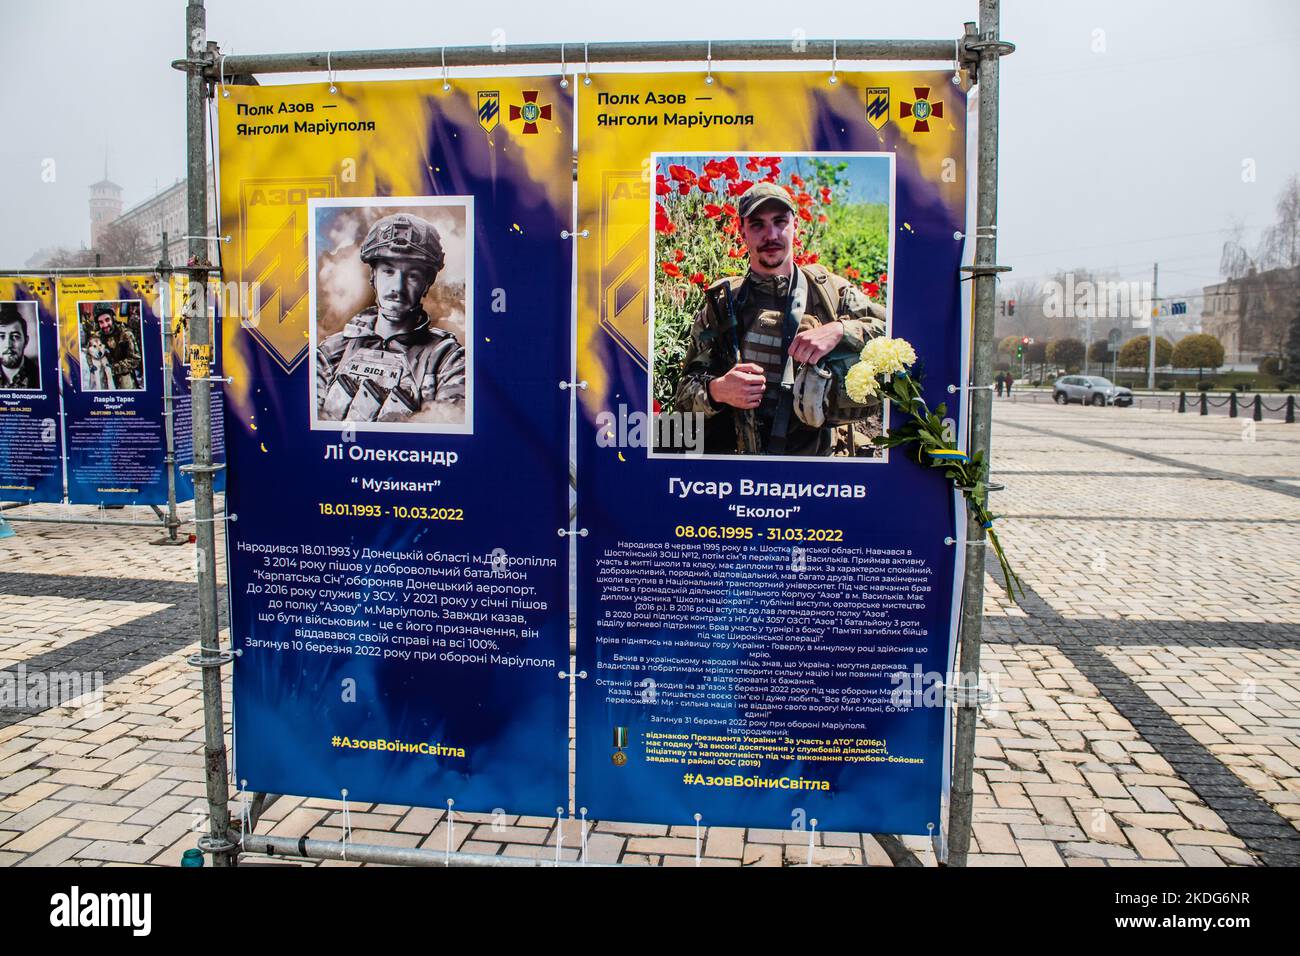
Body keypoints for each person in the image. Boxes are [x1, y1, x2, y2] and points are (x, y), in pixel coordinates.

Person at [673, 181, 885, 456]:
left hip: (815, 472)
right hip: (738, 470)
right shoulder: (724, 305)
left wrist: (840, 330)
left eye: (780, 221)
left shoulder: (830, 292)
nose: (770, 234)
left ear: (795, 225)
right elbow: (682, 396)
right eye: (757, 224)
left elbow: (893, 332)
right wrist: (718, 390)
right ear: (742, 232)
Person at [317, 212, 466, 423]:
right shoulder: (331, 352)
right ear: (373, 275)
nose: (398, 287)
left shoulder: (447, 360)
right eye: (388, 271)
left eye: (413, 275)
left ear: (427, 282)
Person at [94, 304, 141, 390]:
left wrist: (113, 369)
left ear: (113, 318)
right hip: (104, 377)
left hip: (124, 377)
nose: (105, 325)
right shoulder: (97, 337)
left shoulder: (125, 334)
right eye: (101, 322)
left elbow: (135, 359)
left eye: (107, 320)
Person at [0, 303, 39, 390]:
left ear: (26, 341)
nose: (8, 345)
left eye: (15, 336)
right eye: (1, 336)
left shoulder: (40, 376)